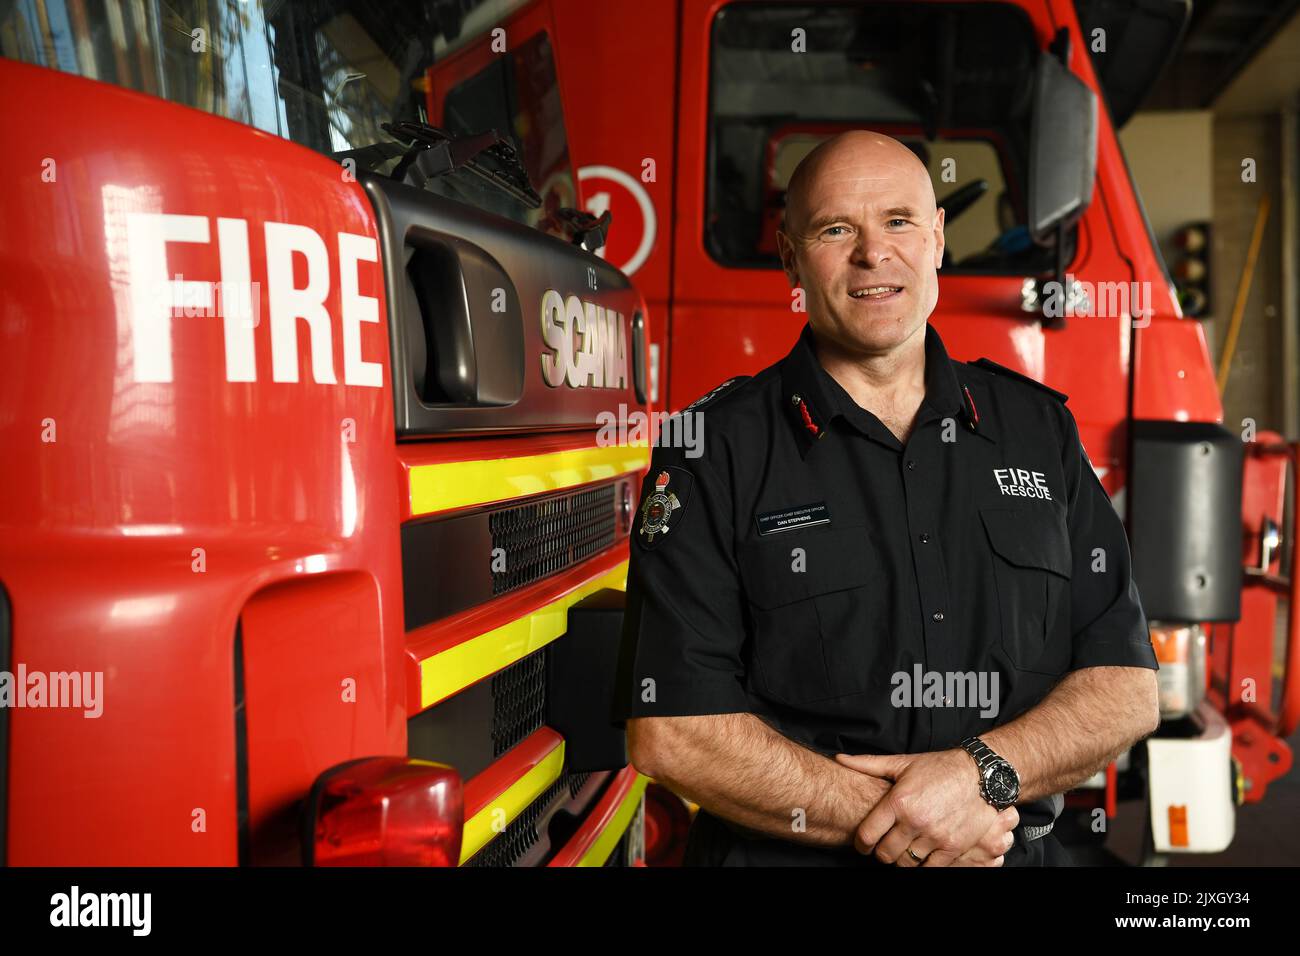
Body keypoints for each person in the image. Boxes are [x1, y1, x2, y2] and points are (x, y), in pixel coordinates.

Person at [615, 130, 1160, 866]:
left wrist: (980, 774)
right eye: (837, 229)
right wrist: (923, 822)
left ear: (936, 238)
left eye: (899, 221)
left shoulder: (1038, 430)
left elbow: (1125, 686)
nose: (875, 254)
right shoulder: (713, 448)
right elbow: (673, 729)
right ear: (790, 257)